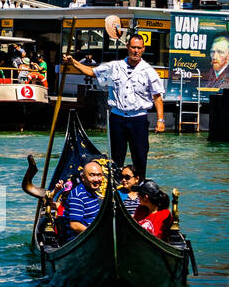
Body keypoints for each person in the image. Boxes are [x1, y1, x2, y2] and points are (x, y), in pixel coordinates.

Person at [64, 32, 164, 178]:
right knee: (116, 158)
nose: (136, 51)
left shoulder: (149, 71)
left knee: (140, 156)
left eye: (139, 48)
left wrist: (160, 120)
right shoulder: (115, 66)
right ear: (128, 47)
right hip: (117, 118)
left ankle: (140, 187)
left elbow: (157, 97)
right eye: (133, 47)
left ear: (143, 49)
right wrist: (73, 62)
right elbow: (92, 72)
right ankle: (116, 184)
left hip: (138, 119)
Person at [65, 159, 106, 235]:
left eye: (99, 175)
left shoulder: (92, 192)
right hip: (78, 238)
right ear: (83, 177)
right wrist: (96, 234)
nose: (96, 179)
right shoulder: (77, 196)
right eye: (92, 175)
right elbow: (75, 225)